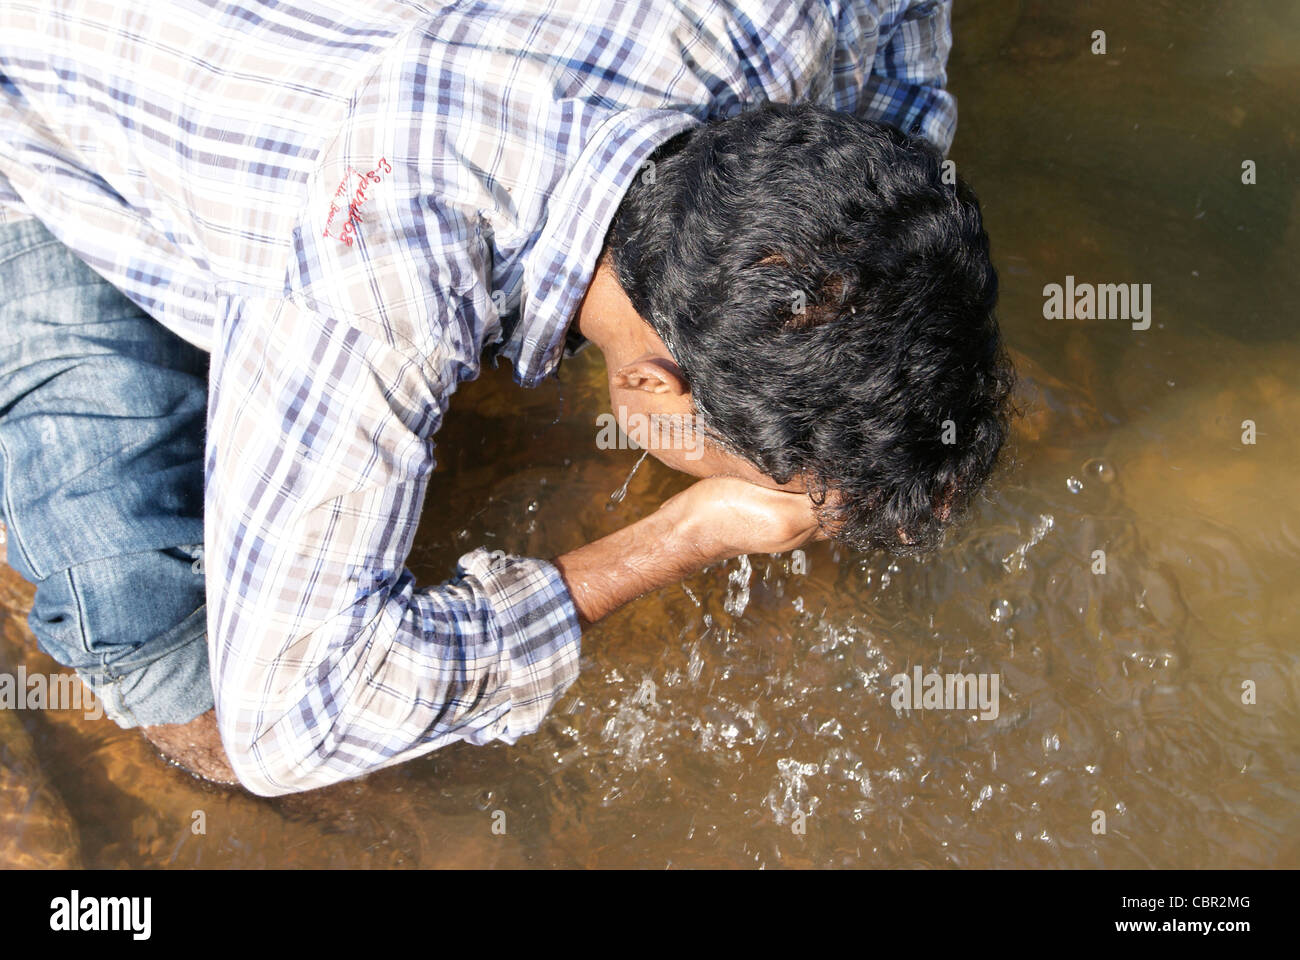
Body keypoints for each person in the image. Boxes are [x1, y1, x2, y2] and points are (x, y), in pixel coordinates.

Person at [0, 0, 1012, 794]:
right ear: (649, 387)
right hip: (37, 125)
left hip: (312, 79)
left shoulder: (766, 26)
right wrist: (682, 538)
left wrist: (885, 230)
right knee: (182, 673)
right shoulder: (367, 288)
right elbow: (291, 721)